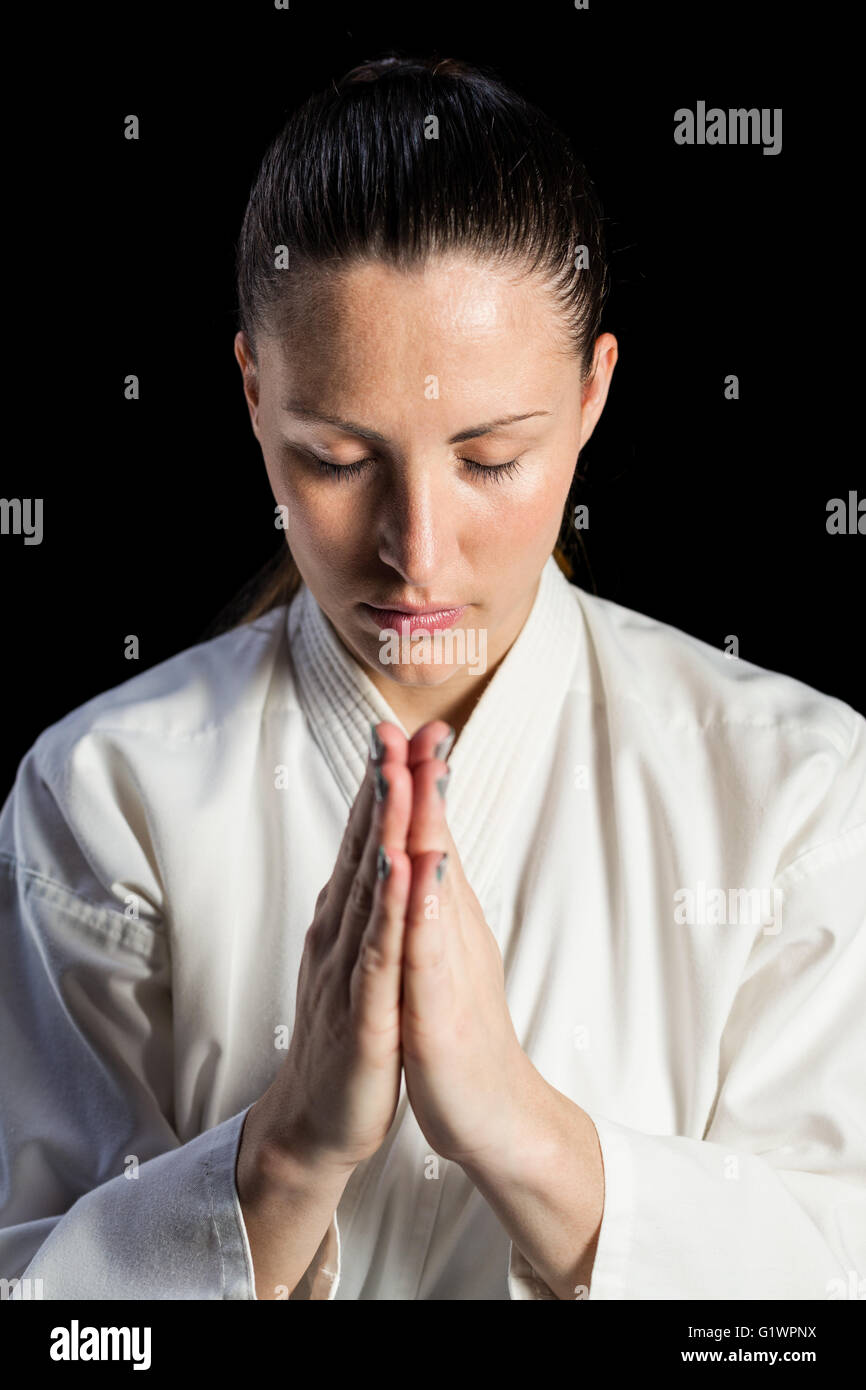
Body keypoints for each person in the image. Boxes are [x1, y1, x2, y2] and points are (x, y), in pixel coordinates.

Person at [1, 54, 864, 1302]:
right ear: (253, 395)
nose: (415, 553)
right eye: (337, 458)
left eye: (491, 458)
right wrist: (285, 1154)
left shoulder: (793, 789)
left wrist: (520, 1129)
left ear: (589, 396)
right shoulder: (100, 794)